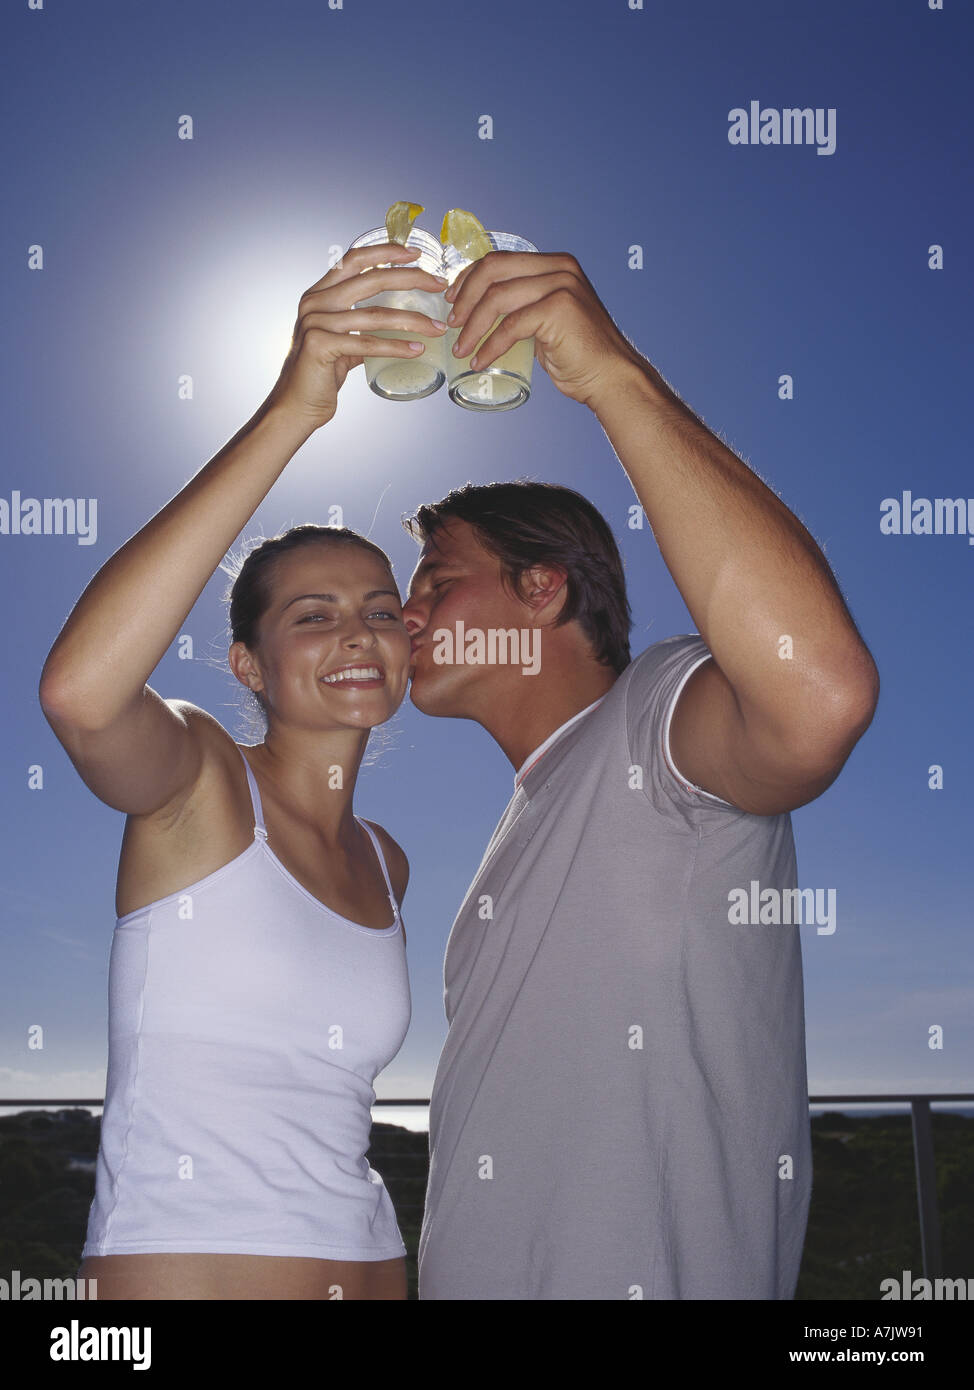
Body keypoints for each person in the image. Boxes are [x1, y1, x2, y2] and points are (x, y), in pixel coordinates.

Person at [400, 250, 880, 1300]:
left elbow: (819, 696)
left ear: (541, 590)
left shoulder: (652, 716)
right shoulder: (518, 824)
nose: (406, 613)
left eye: (436, 581)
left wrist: (610, 375)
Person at [38, 240, 451, 1299]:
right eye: (311, 617)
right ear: (247, 664)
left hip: (372, 1265)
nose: (355, 633)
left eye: (377, 611)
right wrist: (293, 410)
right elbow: (82, 697)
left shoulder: (387, 861)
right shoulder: (202, 785)